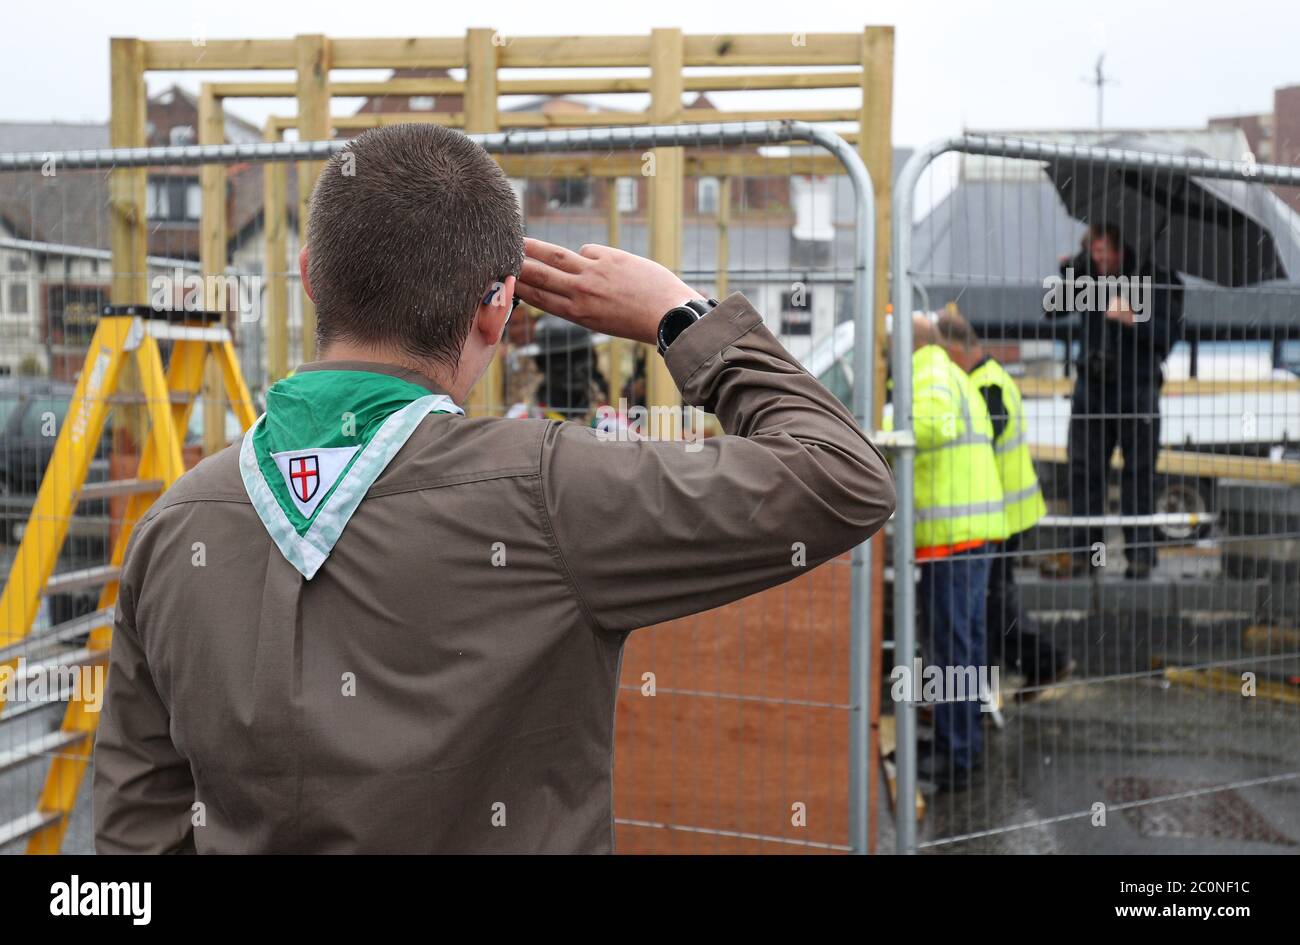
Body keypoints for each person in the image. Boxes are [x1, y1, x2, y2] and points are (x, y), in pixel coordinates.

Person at [91, 123, 896, 854]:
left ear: (308, 278)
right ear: (499, 306)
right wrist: (679, 317)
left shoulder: (174, 526)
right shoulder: (547, 491)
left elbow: (136, 831)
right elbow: (842, 476)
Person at [936, 312, 1072, 690]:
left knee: (991, 604)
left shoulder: (984, 386)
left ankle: (1041, 663)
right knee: (992, 601)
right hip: (1007, 512)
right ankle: (1003, 679)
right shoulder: (990, 377)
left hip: (1001, 516)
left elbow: (976, 445)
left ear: (956, 351)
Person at [1047, 223, 1184, 579]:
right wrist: (1069, 275)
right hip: (1092, 390)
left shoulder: (1156, 275)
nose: (1101, 259)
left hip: (1136, 391)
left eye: (1106, 251)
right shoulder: (1086, 270)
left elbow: (1169, 337)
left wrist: (1134, 318)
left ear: (1123, 248)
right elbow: (1052, 309)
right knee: (1085, 474)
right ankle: (1089, 556)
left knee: (1138, 477)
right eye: (1095, 251)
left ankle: (1139, 558)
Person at [906, 314, 1006, 791]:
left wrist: (880, 431)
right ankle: (961, 742)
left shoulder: (927, 368)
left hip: (955, 537)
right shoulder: (949, 371)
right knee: (963, 644)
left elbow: (928, 428)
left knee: (952, 649)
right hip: (968, 533)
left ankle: (957, 753)